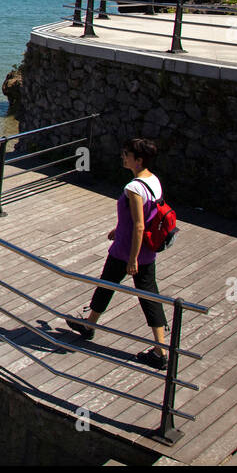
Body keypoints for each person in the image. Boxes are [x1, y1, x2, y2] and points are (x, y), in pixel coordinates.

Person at [65, 138, 169, 369]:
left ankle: (91, 326)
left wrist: (132, 259)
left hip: (127, 251)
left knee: (108, 286)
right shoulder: (154, 181)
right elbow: (145, 217)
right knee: (147, 296)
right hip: (146, 250)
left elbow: (139, 225)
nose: (123, 157)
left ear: (138, 160)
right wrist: (118, 229)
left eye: (126, 154)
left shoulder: (133, 188)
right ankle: (159, 348)